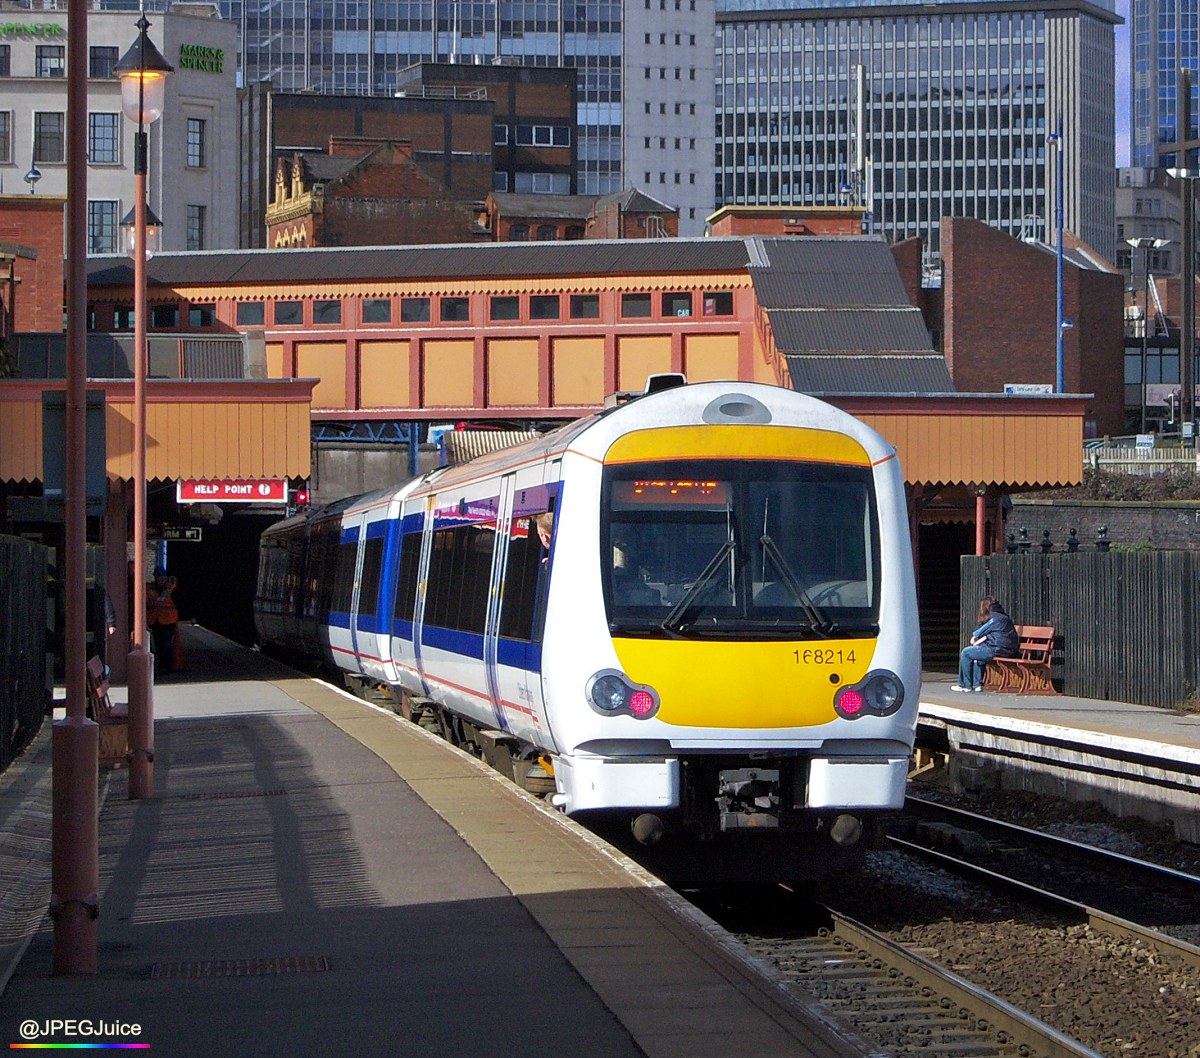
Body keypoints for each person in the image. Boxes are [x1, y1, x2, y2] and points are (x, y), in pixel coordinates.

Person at [953, 595, 1018, 692]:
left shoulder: (993, 618)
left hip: (997, 649)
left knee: (966, 653)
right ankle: (977, 685)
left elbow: (977, 632)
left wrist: (981, 623)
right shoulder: (1005, 617)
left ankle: (965, 685)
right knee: (979, 653)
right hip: (1010, 649)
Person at [146, 567, 184, 676]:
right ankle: (161, 665)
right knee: (158, 645)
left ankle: (165, 666)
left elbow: (179, 603)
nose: (159, 579)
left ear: (165, 577)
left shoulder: (172, 589)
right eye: (157, 576)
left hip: (168, 621)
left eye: (161, 576)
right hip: (155, 621)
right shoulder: (149, 589)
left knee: (166, 645)